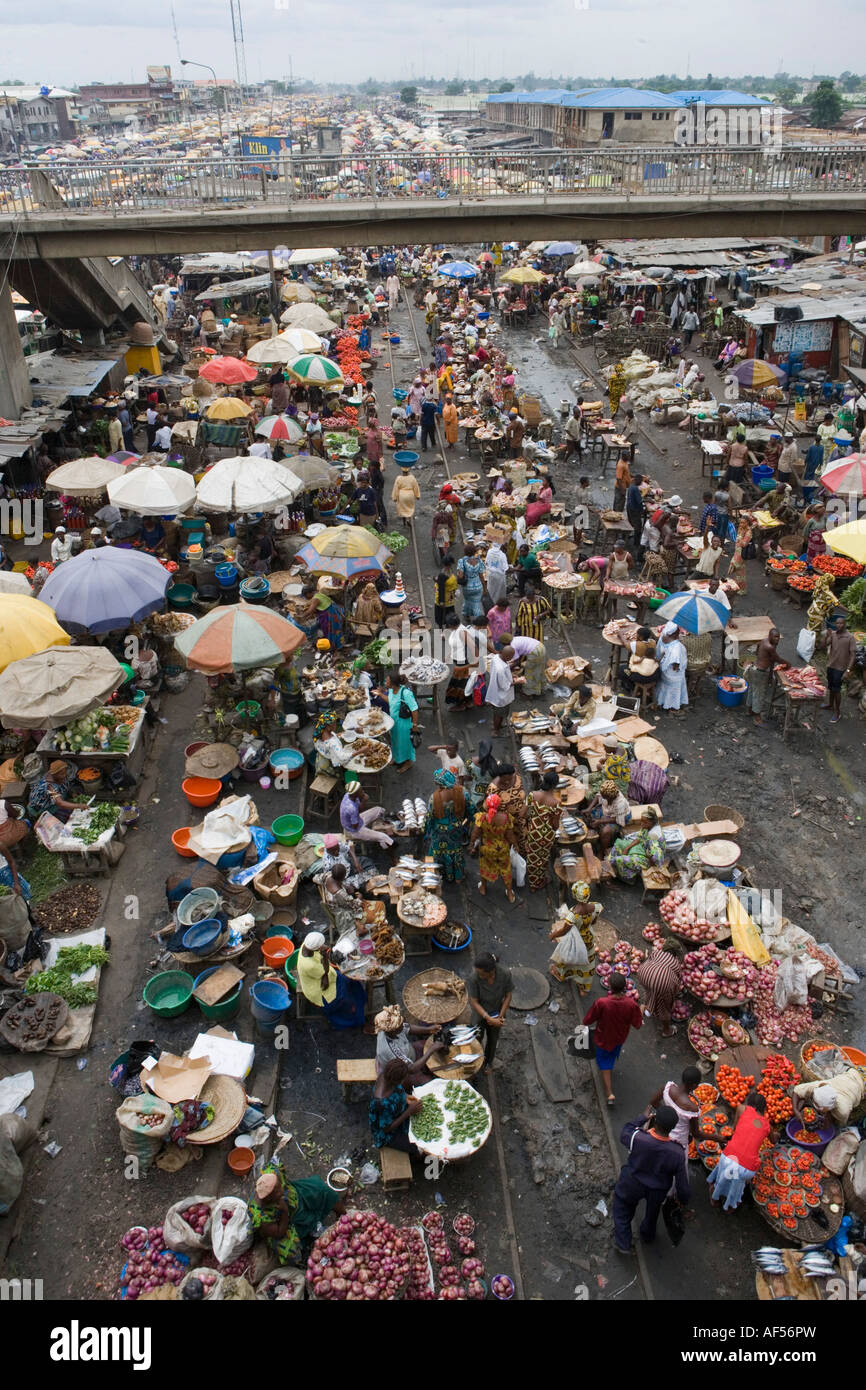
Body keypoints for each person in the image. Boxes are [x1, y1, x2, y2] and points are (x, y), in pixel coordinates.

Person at [613, 1106, 690, 1253]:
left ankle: (623, 1243)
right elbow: (682, 1185)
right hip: (657, 1190)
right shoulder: (677, 1152)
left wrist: (642, 1117)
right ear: (672, 1128)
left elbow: (625, 1132)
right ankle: (647, 1235)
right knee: (652, 1213)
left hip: (632, 1182)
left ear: (654, 1121)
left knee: (622, 1208)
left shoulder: (639, 1138)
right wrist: (683, 1200)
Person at [248, 1162, 344, 1265]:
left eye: (280, 1186)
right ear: (269, 1198)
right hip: (283, 1223)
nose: (281, 1191)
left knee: (321, 1188)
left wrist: (287, 1197)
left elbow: (284, 1177)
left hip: (295, 1196)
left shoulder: (273, 1172)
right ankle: (303, 1261)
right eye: (277, 1192)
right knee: (289, 1251)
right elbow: (279, 1233)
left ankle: (343, 1216)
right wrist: (284, 1211)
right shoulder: (260, 1215)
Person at [584, 973, 643, 1105]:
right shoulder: (631, 1004)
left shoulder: (602, 1003)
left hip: (603, 1038)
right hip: (619, 1038)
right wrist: (641, 1010)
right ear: (624, 987)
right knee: (610, 1056)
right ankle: (609, 1069)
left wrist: (582, 1027)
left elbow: (589, 1019)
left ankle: (609, 1093)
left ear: (609, 986)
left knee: (604, 1063)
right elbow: (637, 1024)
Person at [707, 1090, 770, 1212]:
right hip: (746, 1169)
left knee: (725, 1172)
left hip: (729, 1158)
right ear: (763, 1108)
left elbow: (735, 1129)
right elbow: (772, 1139)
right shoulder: (767, 1125)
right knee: (737, 1183)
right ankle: (730, 1204)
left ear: (750, 1105)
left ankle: (715, 1196)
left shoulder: (741, 1109)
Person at [296, 931, 367, 1029]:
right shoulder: (309, 965)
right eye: (322, 945)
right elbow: (325, 970)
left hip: (325, 975)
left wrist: (324, 974)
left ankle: (361, 1001)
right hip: (319, 990)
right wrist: (325, 956)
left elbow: (325, 971)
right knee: (345, 999)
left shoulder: (306, 945)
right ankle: (354, 1020)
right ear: (316, 948)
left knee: (349, 980)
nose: (324, 946)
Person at [648, 1067, 702, 1174]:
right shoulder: (692, 1108)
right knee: (674, 1170)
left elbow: (653, 1102)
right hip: (678, 1141)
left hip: (661, 1131)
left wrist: (666, 1114)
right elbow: (696, 1134)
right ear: (694, 1085)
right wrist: (718, 1138)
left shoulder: (668, 1088)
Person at [468, 951, 513, 1072]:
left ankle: (488, 1062)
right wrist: (488, 1018)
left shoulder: (505, 974)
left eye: (480, 973)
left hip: (497, 1010)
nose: (477, 974)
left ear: (490, 971)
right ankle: (474, 1060)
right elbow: (474, 1002)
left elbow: (508, 996)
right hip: (480, 1012)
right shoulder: (474, 979)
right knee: (475, 1036)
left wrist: (500, 1017)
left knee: (493, 1039)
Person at [469, 794, 518, 903]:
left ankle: (483, 887)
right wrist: (515, 845)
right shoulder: (506, 818)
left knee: (485, 867)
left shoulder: (482, 818)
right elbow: (510, 835)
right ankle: (509, 893)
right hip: (502, 850)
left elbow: (475, 833)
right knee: (506, 870)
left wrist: (472, 844)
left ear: (486, 805)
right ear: (499, 805)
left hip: (486, 849)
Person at [423, 768, 467, 882]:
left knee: (439, 851)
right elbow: (471, 811)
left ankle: (439, 873)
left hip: (439, 833)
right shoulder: (463, 793)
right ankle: (457, 877)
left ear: (438, 783)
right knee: (456, 850)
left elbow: (429, 817)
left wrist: (426, 830)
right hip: (456, 831)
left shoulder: (434, 798)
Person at [635, 938, 684, 1037]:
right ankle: (667, 1031)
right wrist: (674, 994)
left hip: (644, 974)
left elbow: (649, 959)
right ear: (676, 953)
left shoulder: (657, 953)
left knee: (651, 991)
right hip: (661, 983)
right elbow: (677, 980)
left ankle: (648, 1008)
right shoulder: (676, 963)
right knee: (663, 1007)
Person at [369, 1059, 422, 1153]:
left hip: (396, 1112)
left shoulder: (386, 1076)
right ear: (396, 1081)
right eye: (402, 1080)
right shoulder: (381, 1103)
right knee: (418, 1146)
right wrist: (408, 1112)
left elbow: (397, 1091)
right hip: (388, 1133)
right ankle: (416, 1159)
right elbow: (387, 1128)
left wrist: (405, 1097)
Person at [374, 1005, 439, 1077]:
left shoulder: (390, 1027)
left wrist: (429, 1029)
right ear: (393, 1031)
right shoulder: (392, 1049)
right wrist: (431, 1050)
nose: (403, 1025)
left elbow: (408, 1027)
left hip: (408, 1054)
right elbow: (411, 1069)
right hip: (402, 1072)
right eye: (401, 1025)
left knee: (428, 1045)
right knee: (427, 1081)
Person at [524, 769, 561, 891]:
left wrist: (532, 820)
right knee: (542, 859)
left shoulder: (532, 795)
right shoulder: (556, 803)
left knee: (532, 856)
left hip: (533, 832)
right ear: (555, 785)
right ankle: (536, 884)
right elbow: (555, 826)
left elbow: (523, 814)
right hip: (546, 837)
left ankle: (531, 878)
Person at [746, 627, 786, 727]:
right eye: (775, 637)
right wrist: (788, 664)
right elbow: (778, 659)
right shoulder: (770, 647)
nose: (777, 639)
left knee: (752, 690)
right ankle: (757, 717)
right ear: (770, 637)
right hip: (759, 672)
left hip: (754, 669)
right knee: (759, 694)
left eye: (778, 637)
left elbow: (764, 654)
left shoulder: (764, 641)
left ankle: (749, 710)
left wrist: (761, 659)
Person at [822, 616, 857, 724]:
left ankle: (837, 712)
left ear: (845, 624)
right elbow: (824, 645)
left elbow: (853, 655)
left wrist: (847, 671)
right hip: (831, 666)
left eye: (841, 623)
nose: (839, 625)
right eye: (837, 623)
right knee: (831, 687)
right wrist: (827, 636)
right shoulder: (833, 634)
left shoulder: (850, 637)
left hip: (840, 669)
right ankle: (830, 704)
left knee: (837, 690)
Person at [340, 782, 393, 848]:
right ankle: (391, 853)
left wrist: (363, 800)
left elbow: (358, 810)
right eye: (361, 791)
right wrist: (364, 801)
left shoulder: (348, 795)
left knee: (379, 810)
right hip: (354, 831)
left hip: (358, 820)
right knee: (384, 837)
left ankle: (379, 827)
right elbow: (355, 826)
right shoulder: (351, 808)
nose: (363, 791)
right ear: (355, 793)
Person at [585, 779, 631, 854]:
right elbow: (598, 796)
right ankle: (596, 836)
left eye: (605, 797)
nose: (602, 798)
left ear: (610, 797)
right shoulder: (607, 792)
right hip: (607, 811)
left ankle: (602, 851)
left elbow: (617, 819)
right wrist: (589, 808)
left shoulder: (620, 803)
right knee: (588, 817)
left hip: (619, 818)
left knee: (605, 831)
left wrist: (600, 821)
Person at [385, 671, 419, 771]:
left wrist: (415, 725)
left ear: (393, 683)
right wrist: (380, 694)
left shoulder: (406, 693)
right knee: (395, 742)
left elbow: (414, 709)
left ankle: (408, 763)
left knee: (405, 744)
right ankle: (398, 759)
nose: (385, 683)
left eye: (387, 681)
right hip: (394, 723)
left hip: (403, 725)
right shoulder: (391, 690)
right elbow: (391, 701)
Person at [320, 861, 365, 935]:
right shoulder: (340, 894)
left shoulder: (328, 876)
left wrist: (345, 887)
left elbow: (315, 878)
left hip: (334, 902)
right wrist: (359, 898)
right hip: (341, 913)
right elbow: (354, 906)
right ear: (343, 877)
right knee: (361, 910)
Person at [485, 645, 520, 734]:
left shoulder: (496, 657)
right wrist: (518, 681)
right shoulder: (500, 669)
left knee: (498, 713)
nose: (512, 659)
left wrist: (510, 676)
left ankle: (498, 725)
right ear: (507, 657)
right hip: (501, 696)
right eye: (511, 657)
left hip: (495, 691)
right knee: (499, 714)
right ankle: (496, 731)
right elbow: (504, 686)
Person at [655, 622, 689, 711]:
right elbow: (676, 666)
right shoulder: (677, 647)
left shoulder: (662, 637)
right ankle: (671, 704)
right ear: (676, 633)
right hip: (671, 675)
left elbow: (659, 654)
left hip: (662, 671)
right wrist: (677, 666)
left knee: (663, 685)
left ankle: (660, 700)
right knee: (677, 680)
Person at [456, 542, 486, 621]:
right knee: (476, 603)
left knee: (467, 600)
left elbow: (461, 576)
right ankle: (476, 618)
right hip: (478, 586)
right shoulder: (479, 560)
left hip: (467, 587)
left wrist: (458, 573)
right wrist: (485, 588)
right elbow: (481, 576)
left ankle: (468, 615)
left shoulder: (462, 561)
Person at [433, 557, 458, 628]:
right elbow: (441, 589)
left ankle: (448, 628)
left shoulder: (448, 571)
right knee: (441, 616)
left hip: (449, 599)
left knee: (448, 615)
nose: (449, 566)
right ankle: (441, 630)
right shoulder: (442, 575)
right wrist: (441, 601)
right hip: (443, 599)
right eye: (449, 565)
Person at [484, 542, 509, 607]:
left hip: (491, 575)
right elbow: (506, 568)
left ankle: (491, 605)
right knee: (500, 592)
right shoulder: (502, 555)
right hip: (499, 576)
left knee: (491, 591)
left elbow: (486, 562)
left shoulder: (489, 551)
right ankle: (500, 605)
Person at [625, 474, 645, 552]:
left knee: (630, 521)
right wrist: (642, 509)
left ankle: (626, 536)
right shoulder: (635, 489)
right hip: (634, 509)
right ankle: (636, 543)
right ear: (637, 481)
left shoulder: (631, 486)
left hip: (629, 507)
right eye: (640, 481)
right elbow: (639, 501)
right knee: (638, 526)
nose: (641, 483)